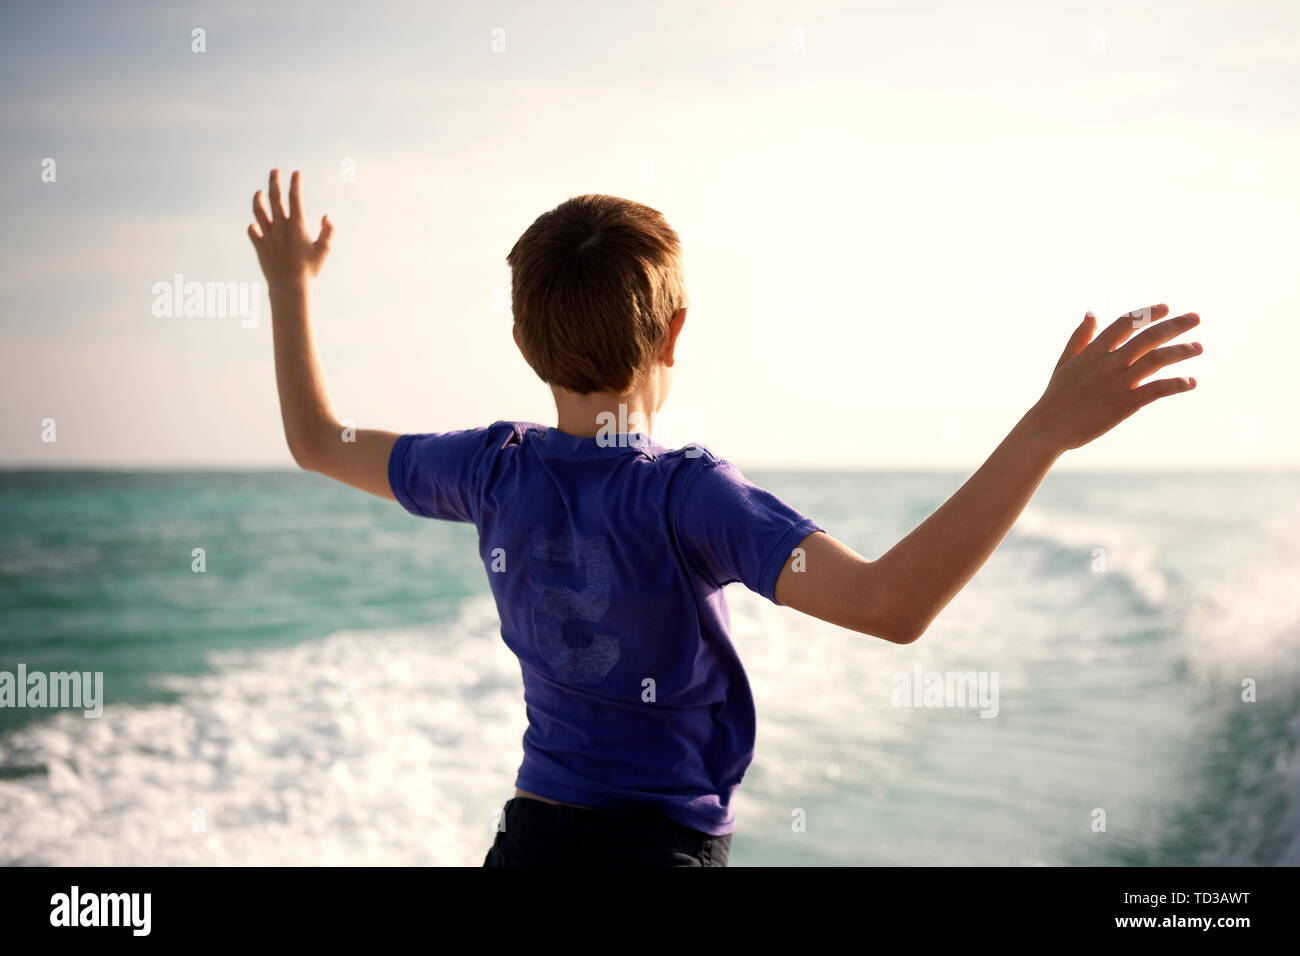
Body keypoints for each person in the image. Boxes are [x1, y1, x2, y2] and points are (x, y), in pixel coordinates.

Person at [246, 169, 1202, 866]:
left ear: (523, 342)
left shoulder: (491, 471)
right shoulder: (687, 493)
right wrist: (1043, 432)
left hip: (528, 841)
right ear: (675, 333)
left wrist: (291, 286)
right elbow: (892, 603)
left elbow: (316, 441)